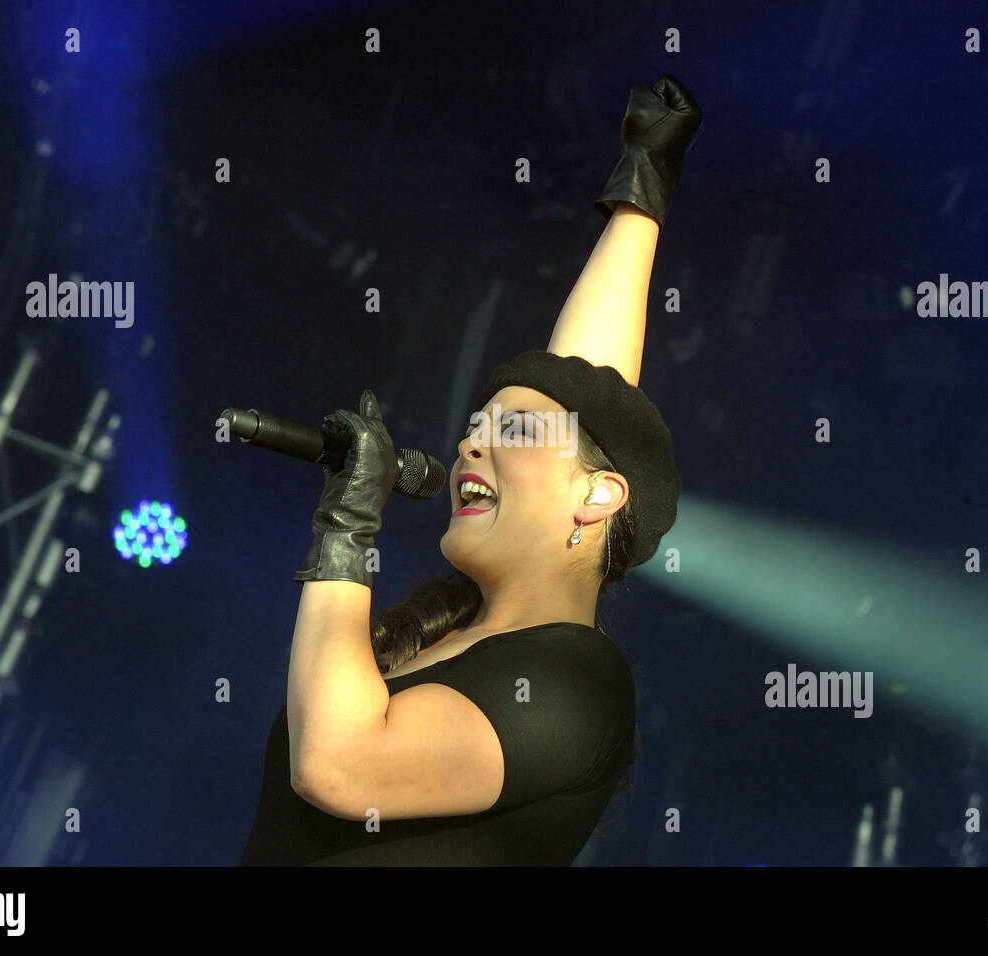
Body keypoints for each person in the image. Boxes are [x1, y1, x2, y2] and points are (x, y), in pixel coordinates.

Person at [239, 75, 702, 865]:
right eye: (474, 428)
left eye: (509, 431)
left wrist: (347, 528)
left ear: (596, 496)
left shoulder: (579, 680)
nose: (471, 447)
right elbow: (578, 392)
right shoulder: (430, 640)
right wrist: (641, 185)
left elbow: (338, 764)